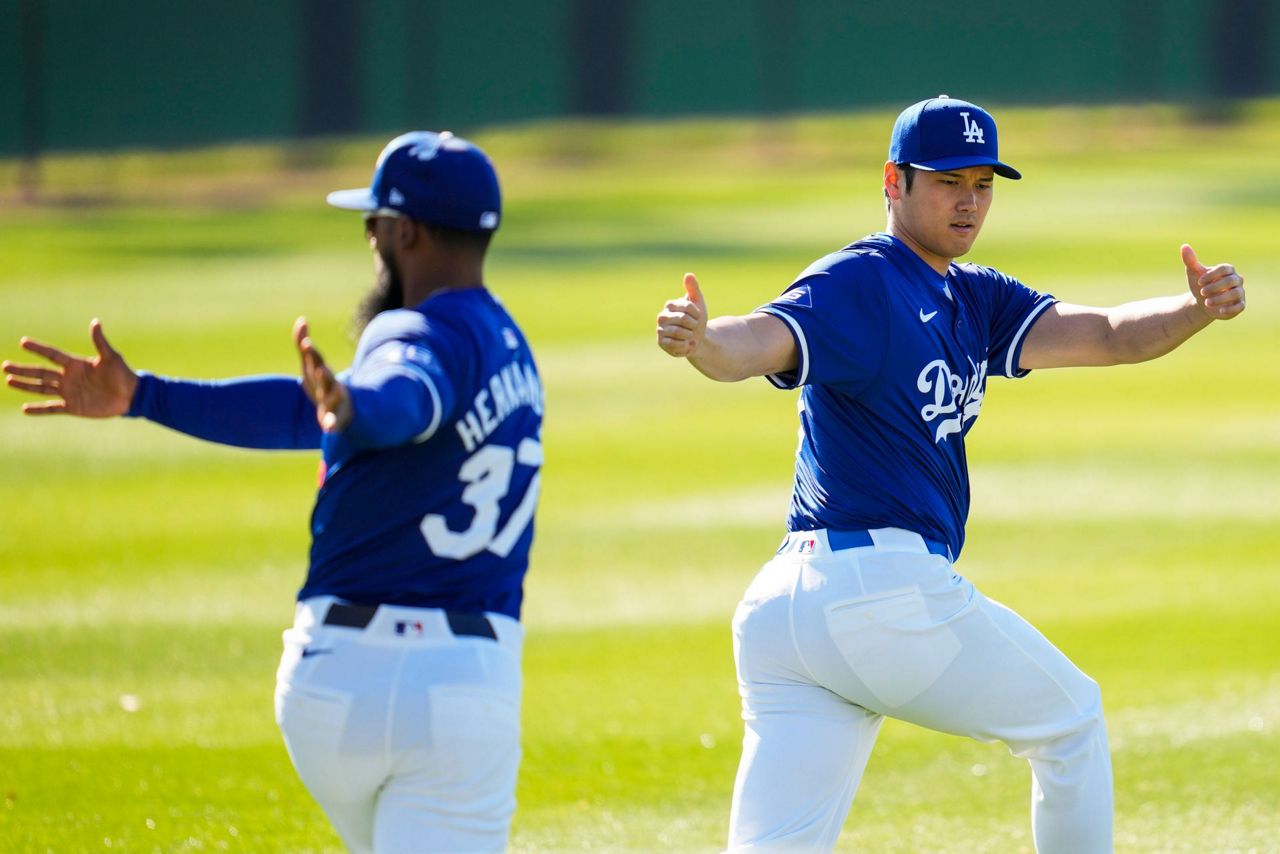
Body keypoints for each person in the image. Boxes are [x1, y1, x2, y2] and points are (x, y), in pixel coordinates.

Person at [655, 96, 1246, 852]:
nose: (969, 202)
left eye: (983, 183)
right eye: (947, 181)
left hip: (786, 612)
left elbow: (1108, 335)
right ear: (893, 182)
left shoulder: (973, 294)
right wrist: (702, 339)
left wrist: (1197, 308)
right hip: (878, 596)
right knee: (1071, 720)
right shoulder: (862, 280)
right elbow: (755, 343)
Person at [4, 131, 543, 853]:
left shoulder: (414, 334)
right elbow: (343, 407)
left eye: (372, 224)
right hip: (452, 696)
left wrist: (348, 406)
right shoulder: (506, 344)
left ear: (404, 231)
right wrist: (150, 396)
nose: (370, 240)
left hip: (330, 686)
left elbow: (400, 397)